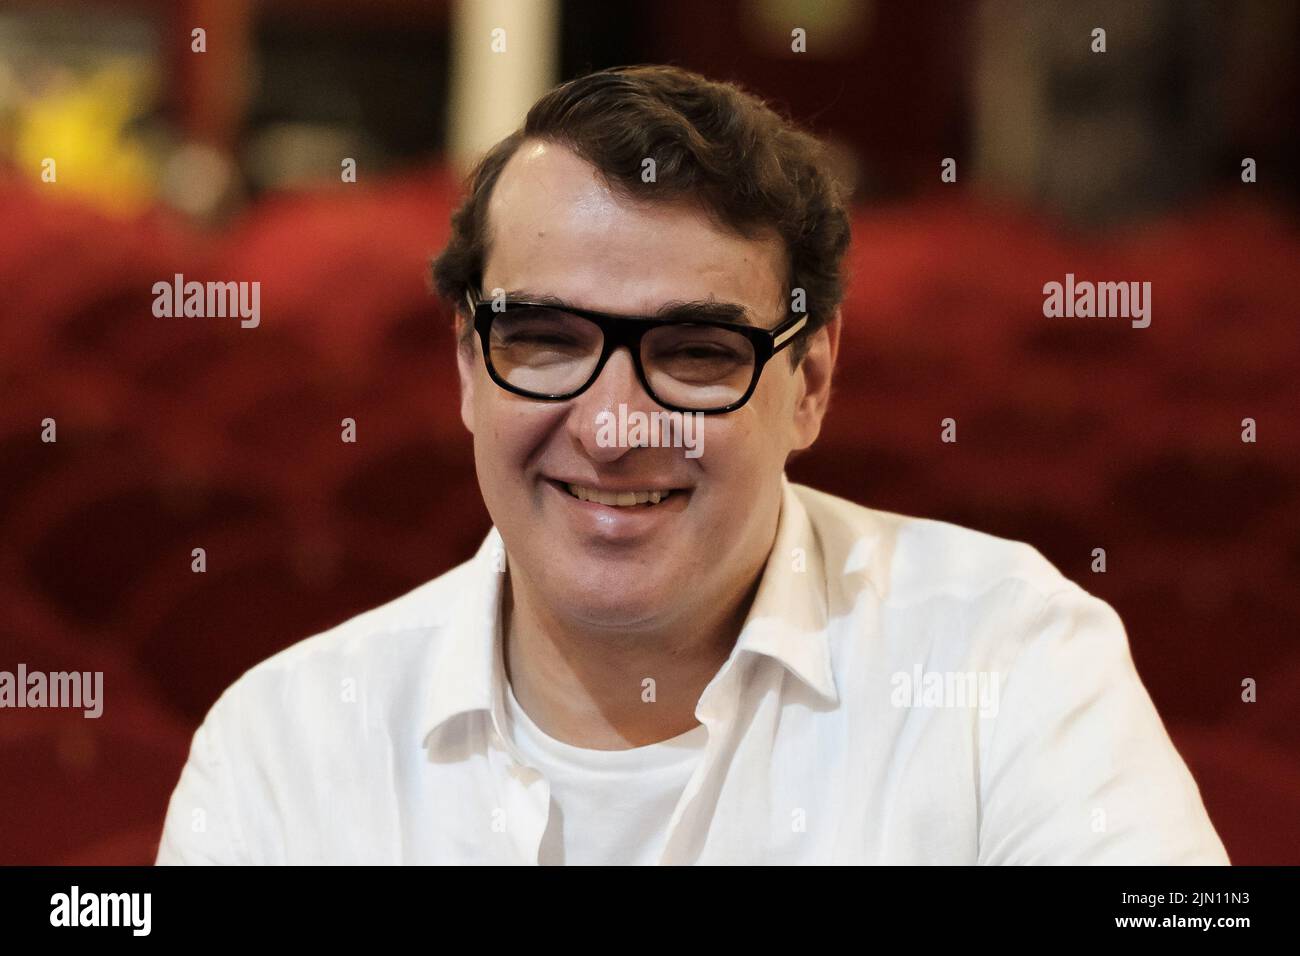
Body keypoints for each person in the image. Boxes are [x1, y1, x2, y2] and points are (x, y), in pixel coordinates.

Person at [156, 65, 1228, 865]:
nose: (614, 426)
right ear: (469, 367)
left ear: (807, 381)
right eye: (546, 340)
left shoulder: (1016, 659)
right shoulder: (283, 743)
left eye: (696, 354)